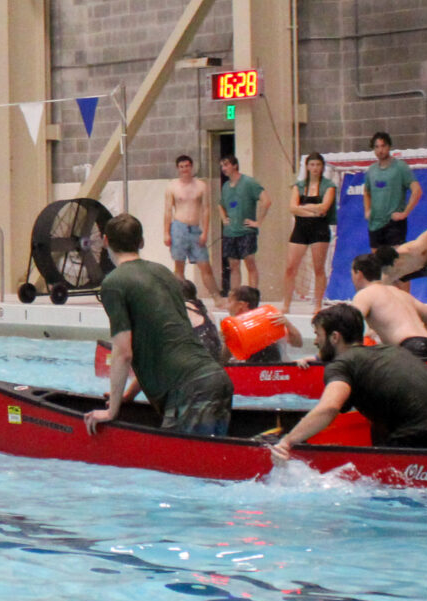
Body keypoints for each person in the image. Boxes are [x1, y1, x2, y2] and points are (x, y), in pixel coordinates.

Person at [89, 214, 232, 435]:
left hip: (189, 391)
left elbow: (123, 353)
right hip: (217, 380)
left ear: (106, 241)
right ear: (142, 242)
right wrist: (129, 396)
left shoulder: (114, 283)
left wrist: (112, 411)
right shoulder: (164, 273)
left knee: (184, 467)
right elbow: (165, 342)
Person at [267, 303, 427, 457]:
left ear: (334, 337)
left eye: (318, 335)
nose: (317, 342)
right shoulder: (391, 350)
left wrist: (287, 442)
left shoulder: (342, 363)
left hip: (418, 436)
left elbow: (329, 408)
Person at [350, 247, 427, 356]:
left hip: (412, 348)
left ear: (358, 274)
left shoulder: (365, 293)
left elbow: (350, 323)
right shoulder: (401, 293)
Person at [283, 152, 336, 311]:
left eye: (318, 165)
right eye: (312, 165)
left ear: (322, 167)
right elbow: (292, 208)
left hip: (319, 230)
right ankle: (286, 304)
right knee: (290, 267)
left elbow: (324, 208)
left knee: (318, 268)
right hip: (300, 229)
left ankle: (318, 304)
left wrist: (303, 208)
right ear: (307, 166)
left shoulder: (328, 186)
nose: (315, 168)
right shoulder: (299, 186)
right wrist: (312, 210)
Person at [162, 153, 218, 297]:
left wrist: (205, 232)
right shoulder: (172, 186)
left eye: (187, 166)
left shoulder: (201, 186)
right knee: (179, 266)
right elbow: (168, 210)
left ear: (191, 167)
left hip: (194, 229)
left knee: (205, 265)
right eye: (181, 167)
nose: (184, 169)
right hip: (178, 228)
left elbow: (206, 210)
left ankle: (216, 296)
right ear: (178, 169)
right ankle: (181, 297)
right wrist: (166, 233)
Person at [217, 152, 269, 304]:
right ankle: (235, 296)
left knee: (249, 262)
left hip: (246, 231)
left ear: (235, 165)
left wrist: (257, 222)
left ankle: (253, 298)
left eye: (226, 165)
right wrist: (223, 218)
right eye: (222, 166)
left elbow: (266, 201)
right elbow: (221, 204)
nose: (224, 168)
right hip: (230, 232)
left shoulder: (248, 182)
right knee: (233, 265)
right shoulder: (226, 186)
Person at [220, 285, 305, 363]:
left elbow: (298, 343)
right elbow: (223, 359)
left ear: (241, 305)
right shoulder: (234, 329)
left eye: (229, 302)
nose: (227, 306)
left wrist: (288, 324)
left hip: (274, 366)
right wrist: (227, 341)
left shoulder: (269, 320)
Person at [364, 131, 417, 252]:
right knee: (377, 264)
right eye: (376, 147)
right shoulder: (371, 170)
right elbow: (367, 192)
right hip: (375, 224)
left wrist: (405, 213)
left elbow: (417, 191)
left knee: (396, 264)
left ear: (389, 147)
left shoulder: (400, 167)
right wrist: (367, 210)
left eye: (383, 146)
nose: (380, 150)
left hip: (394, 224)